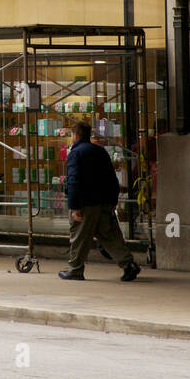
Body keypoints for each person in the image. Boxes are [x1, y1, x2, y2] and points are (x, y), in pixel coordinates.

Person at [59, 121, 141, 282]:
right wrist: (113, 200)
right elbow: (111, 178)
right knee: (110, 235)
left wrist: (74, 206)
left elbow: (73, 180)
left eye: (72, 135)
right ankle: (128, 264)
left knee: (79, 236)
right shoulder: (100, 151)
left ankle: (75, 269)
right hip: (104, 201)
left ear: (75, 135)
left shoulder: (76, 153)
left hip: (85, 203)